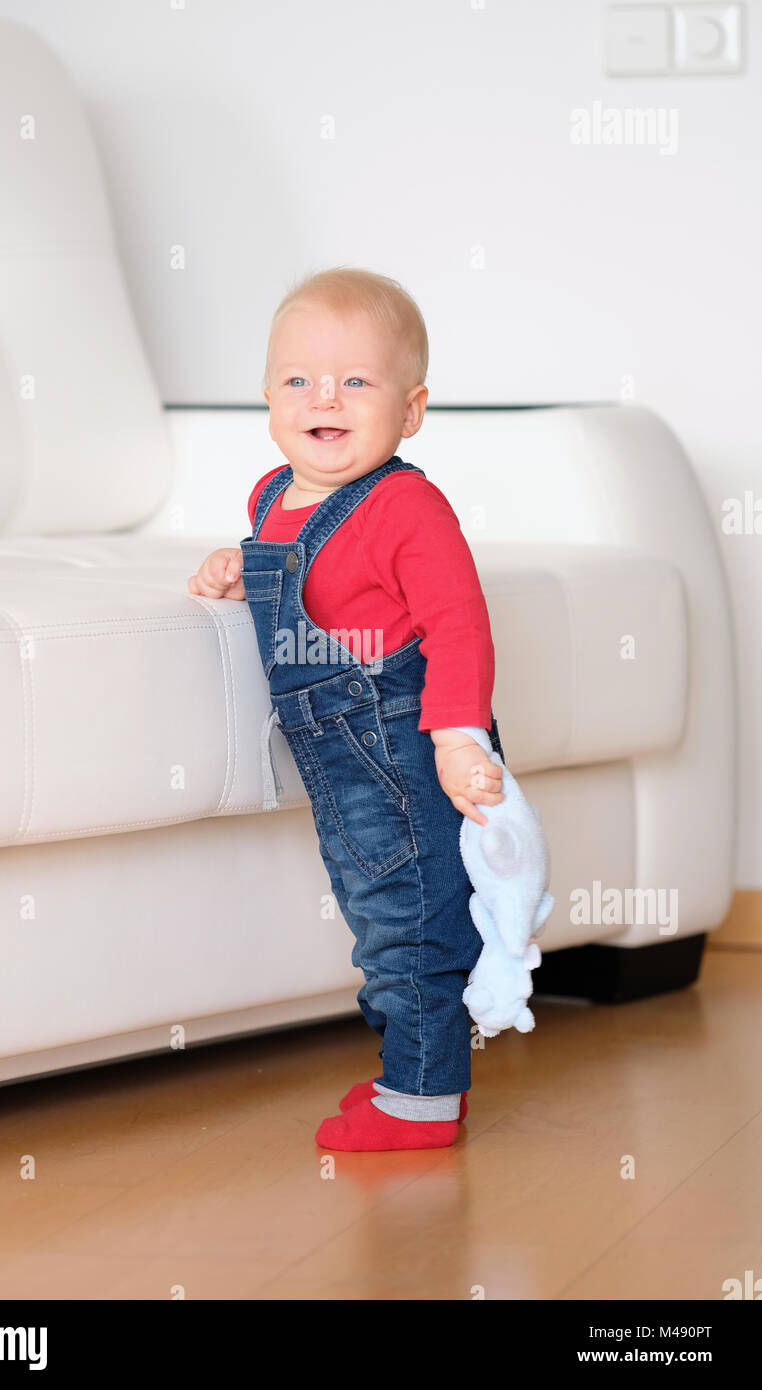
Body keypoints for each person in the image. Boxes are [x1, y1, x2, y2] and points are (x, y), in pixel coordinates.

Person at [187, 267, 506, 1151]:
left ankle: (421, 1099)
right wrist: (234, 564)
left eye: (356, 382)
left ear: (410, 410)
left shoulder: (407, 505)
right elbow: (294, 573)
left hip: (402, 744)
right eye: (300, 381)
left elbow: (458, 626)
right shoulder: (271, 497)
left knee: (412, 920)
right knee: (377, 913)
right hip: (335, 759)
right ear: (267, 398)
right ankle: (417, 1077)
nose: (325, 397)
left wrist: (456, 738)